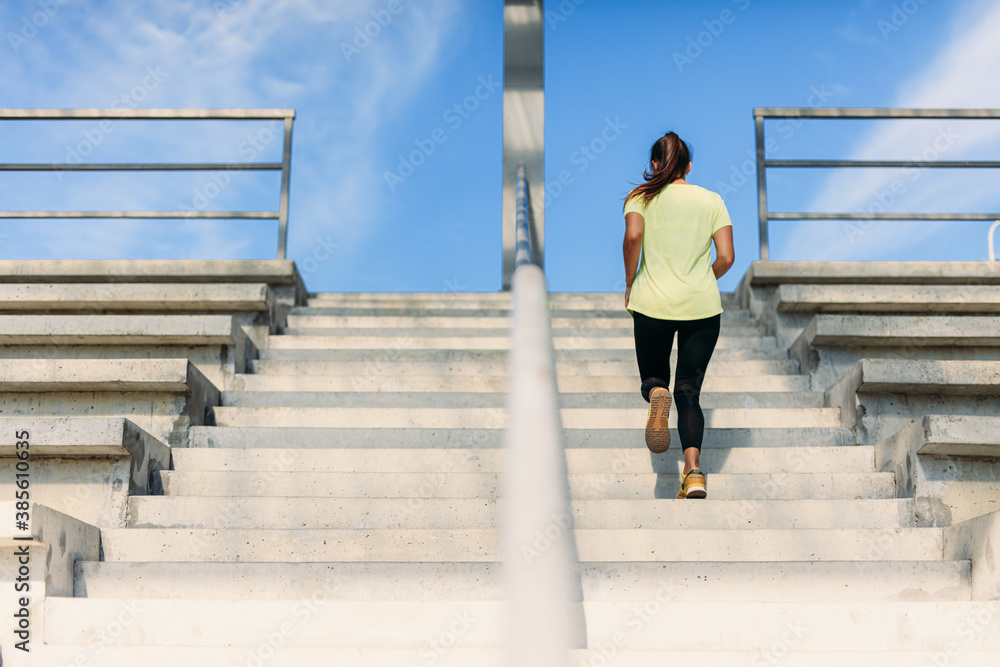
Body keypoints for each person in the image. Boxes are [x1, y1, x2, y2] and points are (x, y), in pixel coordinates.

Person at [622, 131, 735, 499]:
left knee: (656, 379)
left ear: (655, 164)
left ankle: (657, 393)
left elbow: (634, 237)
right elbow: (727, 257)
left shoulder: (640, 197)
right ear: (689, 167)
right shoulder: (712, 200)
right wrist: (703, 279)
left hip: (652, 302)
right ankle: (694, 472)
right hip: (701, 306)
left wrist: (630, 281)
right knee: (689, 392)